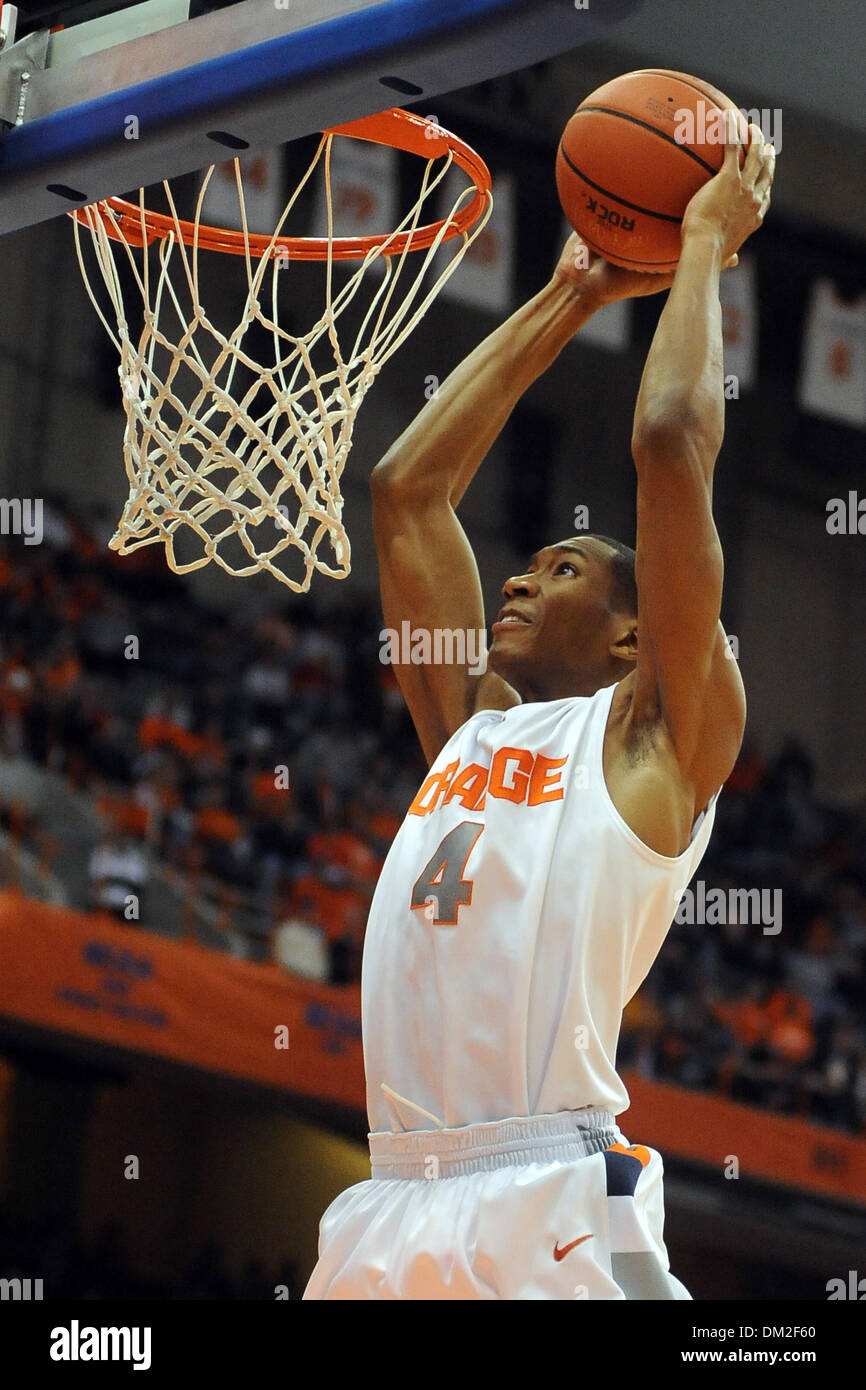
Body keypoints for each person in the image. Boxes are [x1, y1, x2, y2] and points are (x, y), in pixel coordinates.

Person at [304, 122, 775, 1300]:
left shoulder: (660, 742)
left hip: (548, 1195)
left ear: (631, 634)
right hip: (388, 1194)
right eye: (526, 564)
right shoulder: (461, 724)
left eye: (560, 570)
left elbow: (669, 440)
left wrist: (704, 241)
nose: (515, 576)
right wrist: (568, 292)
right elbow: (406, 492)